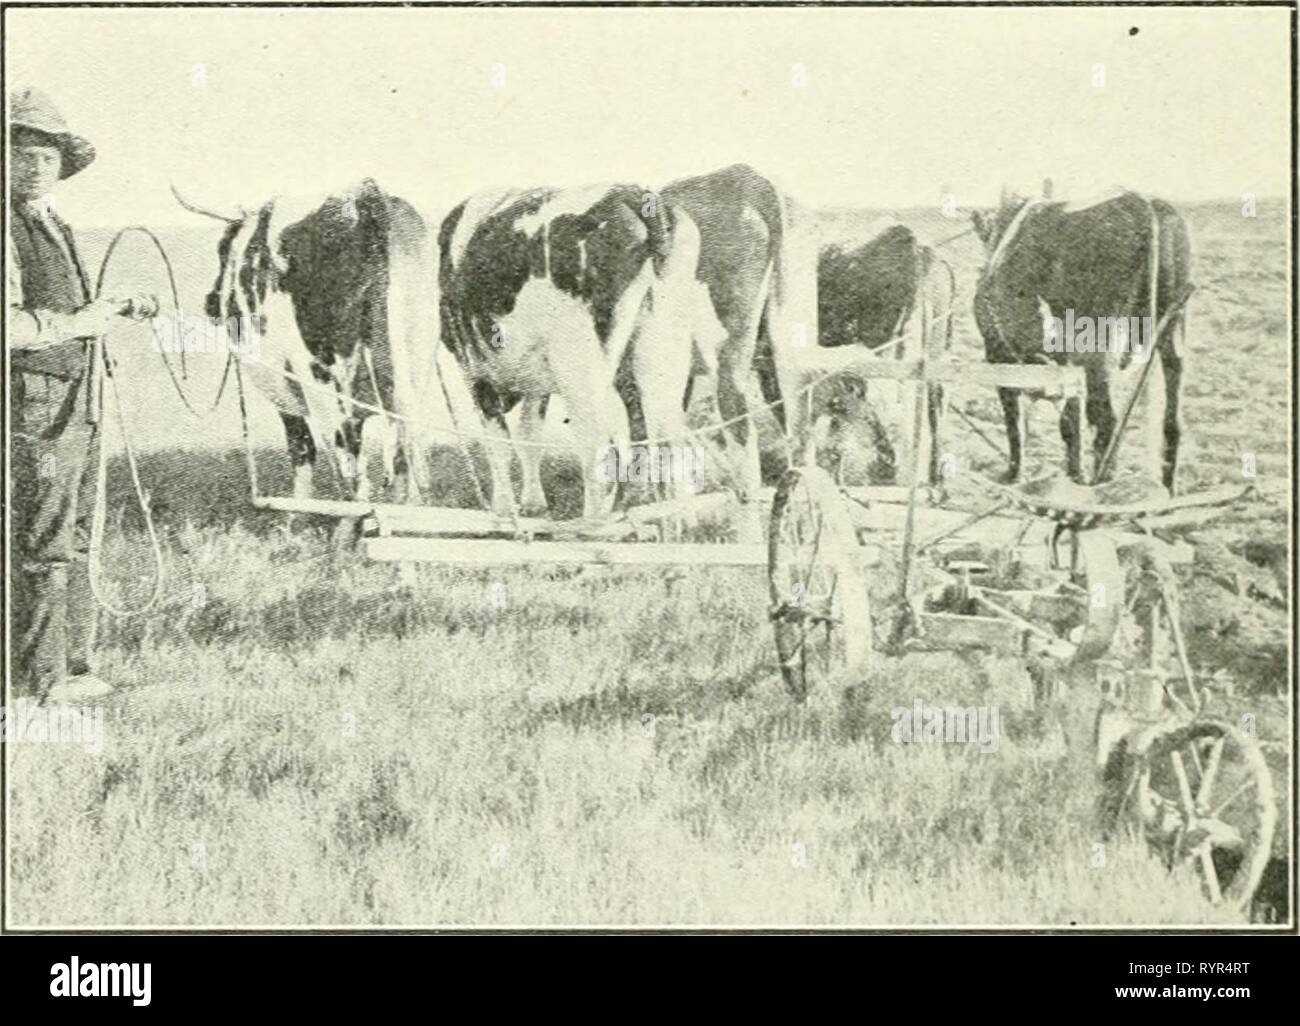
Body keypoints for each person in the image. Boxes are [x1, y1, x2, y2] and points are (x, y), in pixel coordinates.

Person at [7, 86, 154, 702]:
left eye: (48, 155)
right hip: (33, 397)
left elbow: (71, 307)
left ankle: (74, 667)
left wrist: (117, 307)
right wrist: (83, 323)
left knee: (75, 532)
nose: (37, 165)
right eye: (22, 152)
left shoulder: (55, 225)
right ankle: (40, 679)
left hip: (76, 397)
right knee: (43, 533)